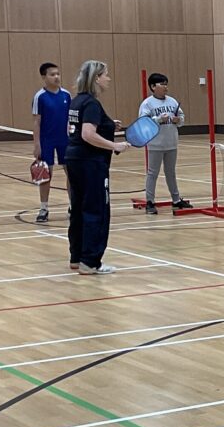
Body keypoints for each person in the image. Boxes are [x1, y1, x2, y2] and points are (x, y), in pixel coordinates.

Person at [67, 59, 129, 273]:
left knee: (78, 208)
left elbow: (79, 128)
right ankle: (90, 261)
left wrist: (109, 125)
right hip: (91, 163)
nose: (108, 78)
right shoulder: (92, 104)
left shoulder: (77, 101)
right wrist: (115, 145)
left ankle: (77, 257)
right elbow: (87, 134)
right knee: (96, 210)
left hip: (74, 159)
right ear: (96, 78)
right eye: (105, 75)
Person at [138, 72, 191, 214]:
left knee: (171, 173)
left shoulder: (172, 101)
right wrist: (158, 119)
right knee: (152, 173)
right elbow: (143, 122)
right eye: (162, 84)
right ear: (153, 86)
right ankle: (150, 201)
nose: (165, 87)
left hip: (171, 142)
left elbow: (181, 117)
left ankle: (176, 199)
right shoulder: (147, 104)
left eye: (166, 84)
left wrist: (178, 120)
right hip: (155, 144)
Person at [28, 62, 70, 225]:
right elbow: (36, 122)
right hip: (47, 141)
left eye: (58, 74)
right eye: (52, 74)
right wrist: (37, 144)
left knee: (71, 173)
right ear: (44, 77)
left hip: (65, 140)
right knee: (46, 175)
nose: (56, 77)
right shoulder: (40, 97)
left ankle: (73, 206)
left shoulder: (66, 95)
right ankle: (44, 208)